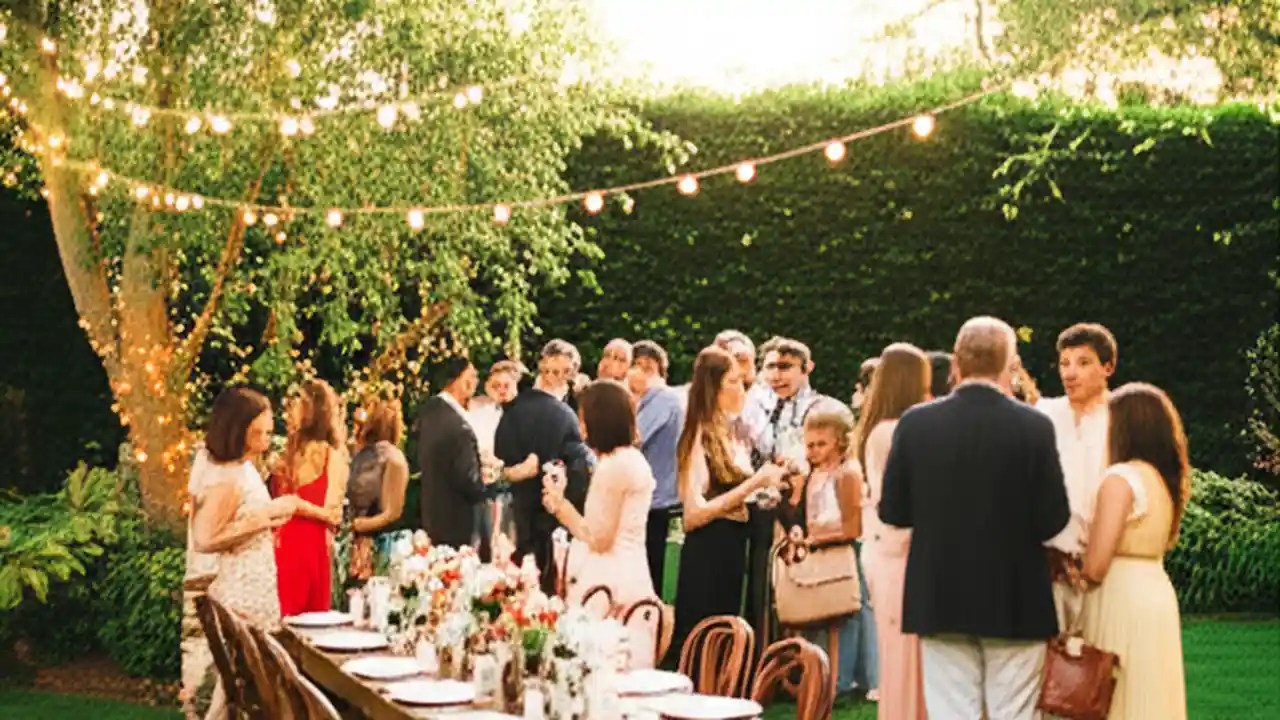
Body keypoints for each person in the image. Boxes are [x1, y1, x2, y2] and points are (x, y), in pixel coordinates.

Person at [880, 316, 1069, 720]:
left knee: (951, 712)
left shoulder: (916, 424)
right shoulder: (1034, 426)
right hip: (1016, 594)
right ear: (1008, 363)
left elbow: (893, 512)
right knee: (1014, 712)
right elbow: (1054, 519)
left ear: (956, 362)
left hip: (941, 592)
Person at [1081, 383, 1189, 719]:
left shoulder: (1120, 479)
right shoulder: (1161, 480)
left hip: (1120, 598)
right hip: (1155, 592)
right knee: (1149, 696)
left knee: (1116, 696)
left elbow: (1096, 566)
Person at [189, 387, 297, 720]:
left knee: (236, 695)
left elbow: (240, 521)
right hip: (242, 593)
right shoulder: (229, 477)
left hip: (255, 584)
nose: (266, 438)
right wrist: (263, 517)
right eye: (258, 432)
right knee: (249, 691)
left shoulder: (243, 466)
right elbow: (205, 538)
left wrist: (270, 517)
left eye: (268, 430)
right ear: (238, 430)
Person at [673, 346, 787, 645]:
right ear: (715, 389)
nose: (742, 390)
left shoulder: (731, 434)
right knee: (706, 646)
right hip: (708, 555)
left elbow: (740, 493)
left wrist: (770, 488)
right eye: (734, 383)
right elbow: (693, 515)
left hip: (735, 551)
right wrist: (754, 484)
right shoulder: (697, 435)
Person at [542, 380, 658, 667]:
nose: (581, 428)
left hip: (608, 577)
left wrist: (559, 504)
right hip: (634, 568)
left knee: (596, 665)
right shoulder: (634, 459)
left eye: (584, 419)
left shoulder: (612, 467)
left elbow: (598, 537)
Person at [854, 343, 931, 720]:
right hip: (898, 552)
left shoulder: (881, 430)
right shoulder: (894, 432)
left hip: (887, 549)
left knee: (905, 653)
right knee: (903, 656)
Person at [495, 339, 594, 592]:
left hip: (512, 523)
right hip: (551, 531)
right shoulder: (565, 417)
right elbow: (578, 476)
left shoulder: (511, 411)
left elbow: (499, 459)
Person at [778, 405, 864, 695]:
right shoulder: (813, 473)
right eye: (809, 444)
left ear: (840, 440)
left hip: (838, 550)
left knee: (842, 615)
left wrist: (816, 539)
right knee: (814, 610)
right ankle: (812, 674)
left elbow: (853, 527)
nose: (813, 451)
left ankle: (840, 679)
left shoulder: (846, 474)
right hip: (816, 549)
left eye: (821, 444)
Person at [1039, 323, 1118, 629]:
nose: (1070, 373)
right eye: (1064, 364)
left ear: (1107, 367)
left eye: (1083, 363)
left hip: (1104, 568)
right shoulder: (1044, 415)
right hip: (1051, 568)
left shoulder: (1120, 419)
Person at [272, 379, 349, 616]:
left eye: (298, 403)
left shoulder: (331, 456)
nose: (290, 410)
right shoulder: (286, 454)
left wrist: (297, 506)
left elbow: (333, 514)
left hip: (309, 546)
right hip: (280, 546)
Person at [416, 356, 490, 549]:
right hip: (458, 517)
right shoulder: (458, 426)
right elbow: (468, 479)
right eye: (471, 377)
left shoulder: (430, 412)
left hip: (432, 510)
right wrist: (491, 482)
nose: (476, 382)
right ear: (458, 380)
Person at [631, 340, 684, 598]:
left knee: (648, 580)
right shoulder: (655, 400)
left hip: (657, 503)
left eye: (646, 367)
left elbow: (631, 439)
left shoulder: (661, 399)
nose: (638, 372)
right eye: (636, 365)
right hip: (657, 499)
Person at [347, 397, 410, 580]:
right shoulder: (360, 453)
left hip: (379, 544)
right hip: (355, 542)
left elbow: (392, 512)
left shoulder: (393, 460)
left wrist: (358, 525)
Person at [468, 360, 524, 560]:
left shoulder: (522, 412)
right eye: (496, 386)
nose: (501, 391)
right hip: (480, 483)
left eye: (506, 386)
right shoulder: (476, 408)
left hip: (509, 486)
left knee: (502, 544)